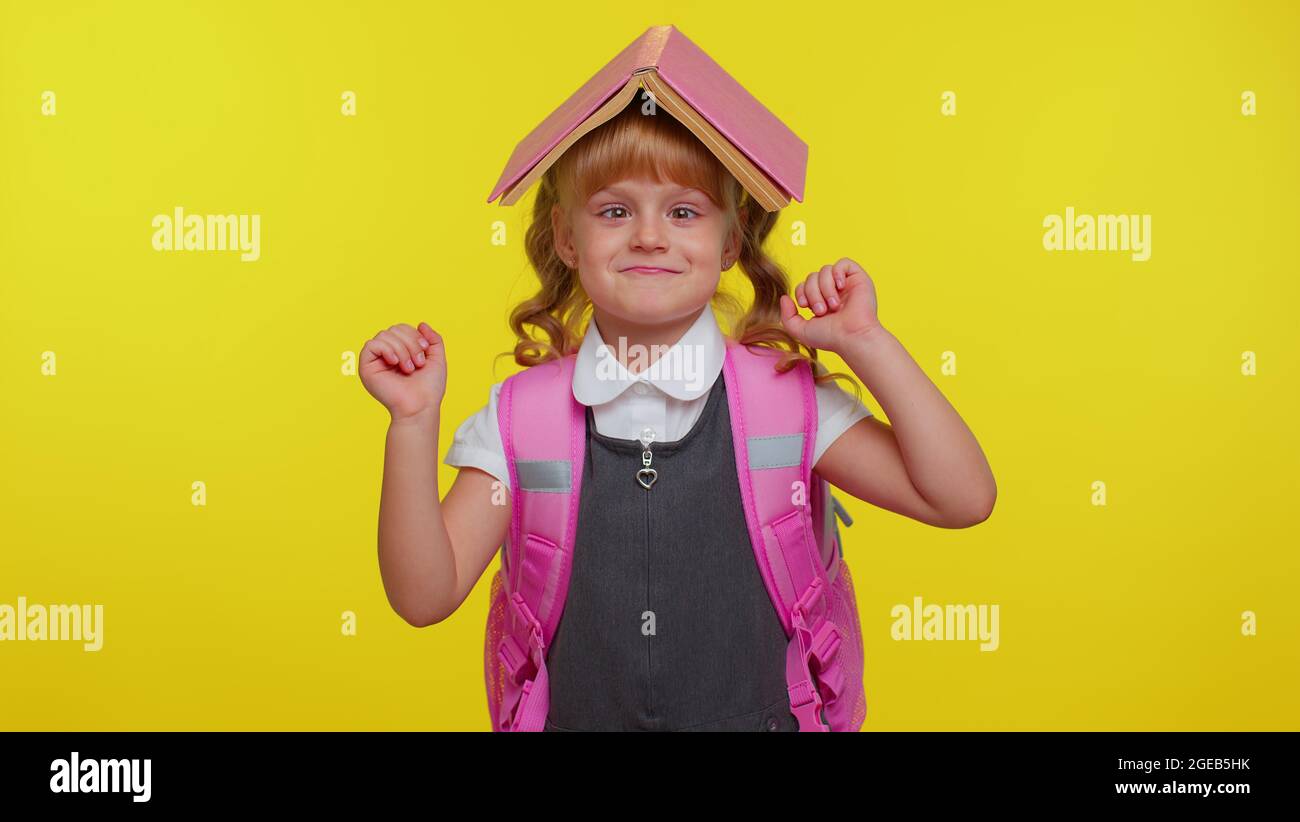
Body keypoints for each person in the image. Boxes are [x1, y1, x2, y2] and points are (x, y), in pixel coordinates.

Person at [359, 100, 997, 731]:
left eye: (684, 211)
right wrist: (413, 424)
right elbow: (424, 597)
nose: (648, 235)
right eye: (614, 211)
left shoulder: (787, 403)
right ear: (564, 238)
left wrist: (867, 343)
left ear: (731, 240)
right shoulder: (523, 421)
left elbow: (961, 498)